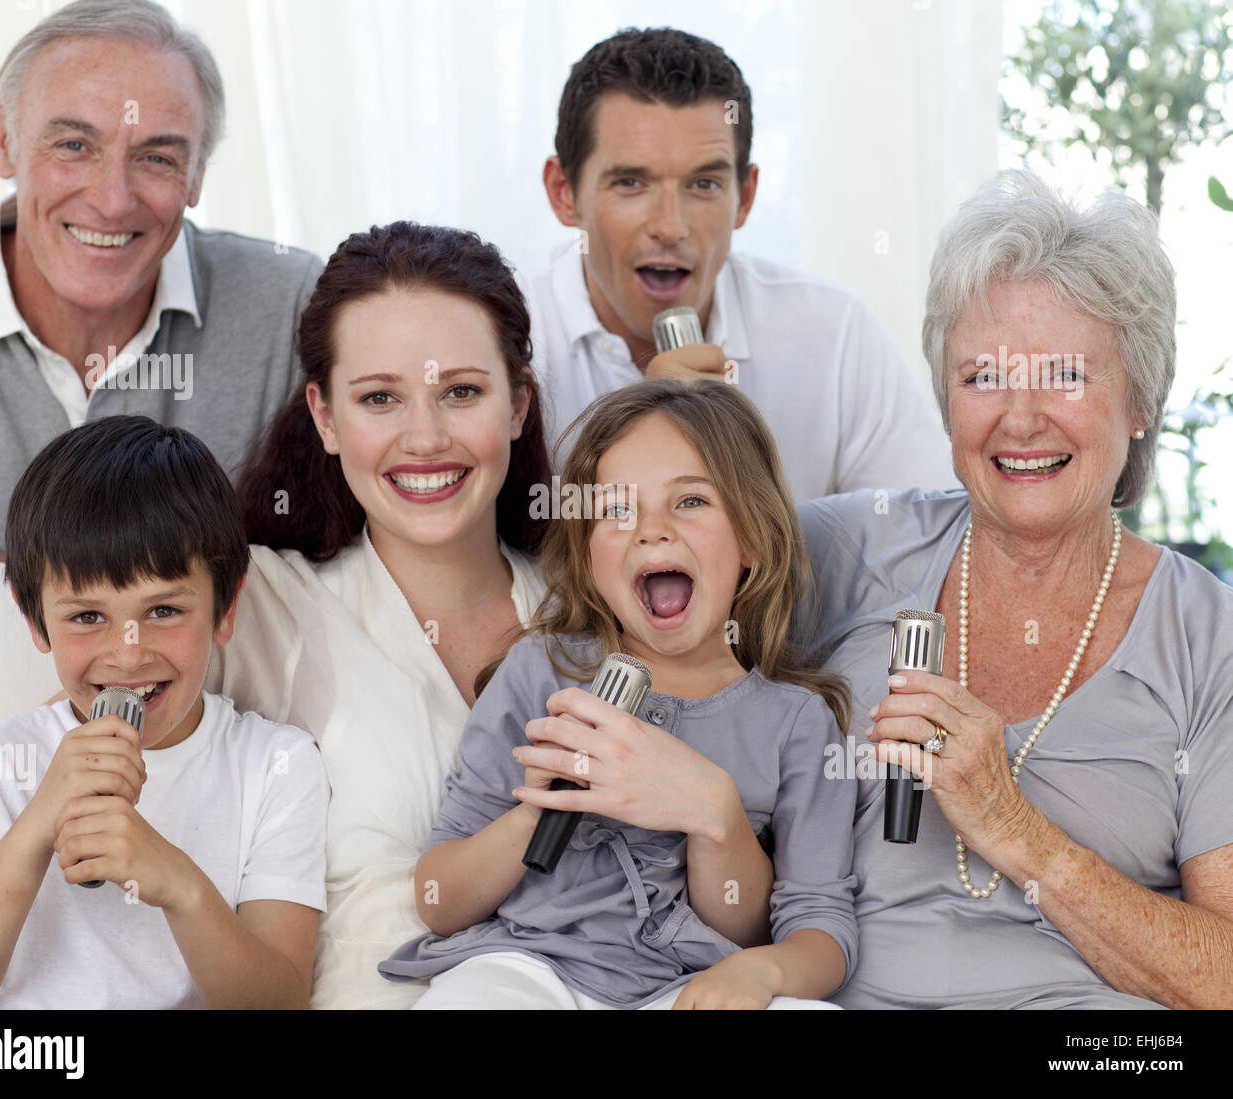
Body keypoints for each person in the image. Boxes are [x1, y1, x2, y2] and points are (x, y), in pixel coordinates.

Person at [795, 170, 1233, 1009]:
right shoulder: (851, 548)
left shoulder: (1209, 641)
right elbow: (649, 595)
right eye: (982, 376)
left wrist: (1010, 823)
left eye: (1066, 374)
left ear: (1138, 398)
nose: (1020, 417)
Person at [380, 379, 857, 1009]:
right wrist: (542, 810)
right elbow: (439, 899)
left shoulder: (796, 722)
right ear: (589, 556)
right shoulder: (540, 672)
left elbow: (811, 932)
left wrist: (715, 815)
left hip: (683, 986)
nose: (651, 533)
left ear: (754, 537)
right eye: (617, 510)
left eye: (689, 501)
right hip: (527, 967)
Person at [208, 221, 552, 1008]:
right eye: (379, 399)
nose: (424, 438)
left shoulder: (592, 613)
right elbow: (94, 624)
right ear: (325, 417)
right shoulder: (262, 601)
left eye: (461, 392)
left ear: (518, 404)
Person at [0, 416, 329, 1009]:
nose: (127, 652)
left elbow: (279, 1001)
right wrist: (38, 824)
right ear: (35, 620)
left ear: (225, 608)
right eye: (87, 617)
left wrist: (178, 885)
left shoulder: (277, 765)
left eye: (165, 610)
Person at [0, 0, 322, 556]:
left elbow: (353, 566)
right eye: (73, 146)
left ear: (197, 176)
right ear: (4, 141)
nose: (113, 202)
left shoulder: (290, 304)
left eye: (157, 158)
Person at [522, 26, 957, 499]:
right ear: (564, 193)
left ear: (745, 197)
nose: (671, 226)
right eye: (631, 183)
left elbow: (929, 534)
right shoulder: (505, 341)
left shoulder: (832, 335)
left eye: (703, 185)